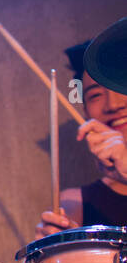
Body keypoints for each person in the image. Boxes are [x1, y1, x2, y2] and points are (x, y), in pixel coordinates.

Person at [36, 40, 127, 235]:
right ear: (85, 112)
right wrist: (57, 254)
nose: (112, 104)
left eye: (119, 86)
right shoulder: (74, 204)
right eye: (95, 95)